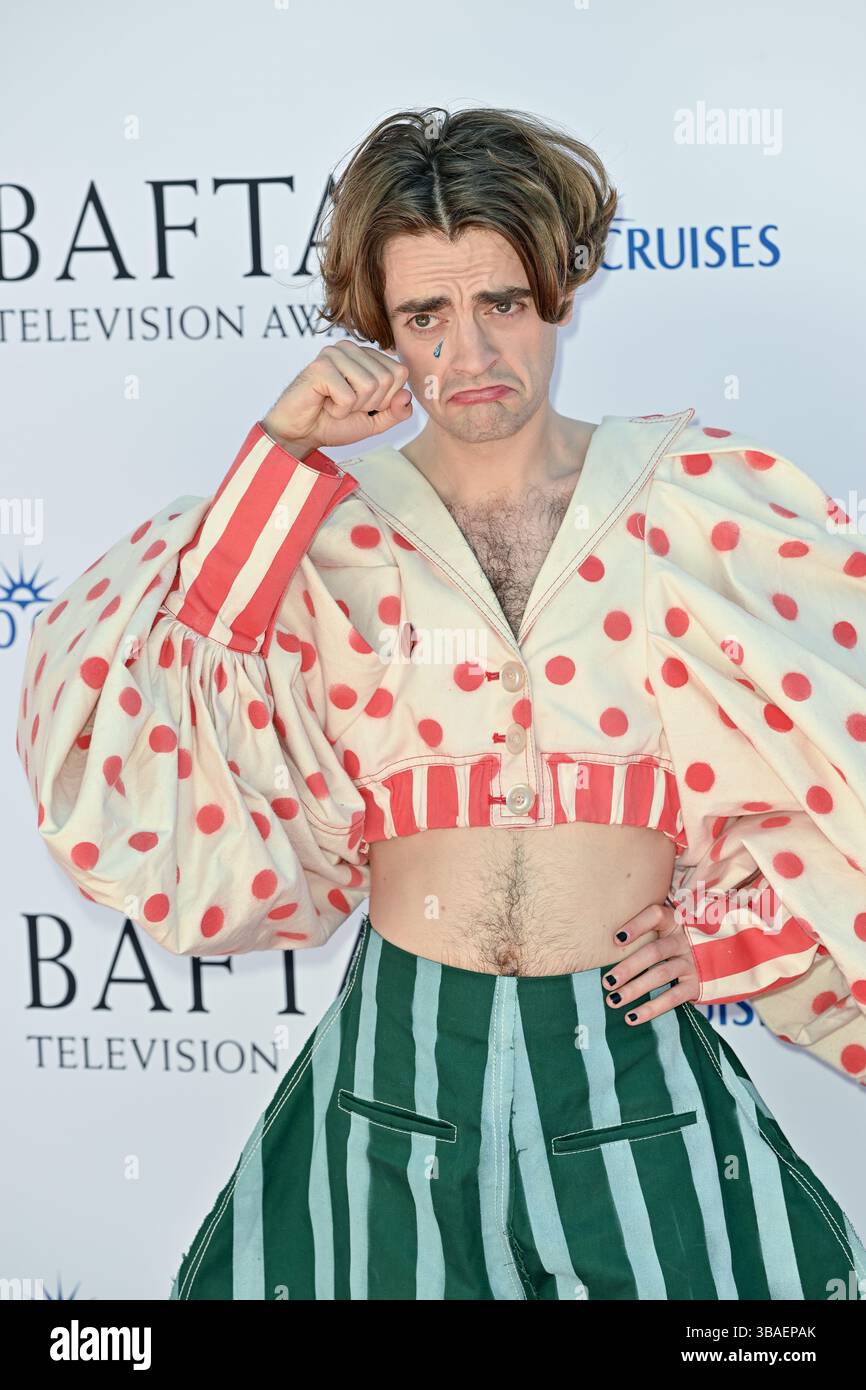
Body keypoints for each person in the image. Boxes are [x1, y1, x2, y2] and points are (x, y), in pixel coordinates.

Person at [16, 106, 866, 1301]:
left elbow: (836, 751)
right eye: (425, 316)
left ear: (557, 293)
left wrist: (743, 930)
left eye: (500, 303)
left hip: (629, 1073)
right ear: (381, 331)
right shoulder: (318, 526)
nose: (467, 355)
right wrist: (277, 451)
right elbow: (152, 709)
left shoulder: (687, 499)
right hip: (390, 1084)